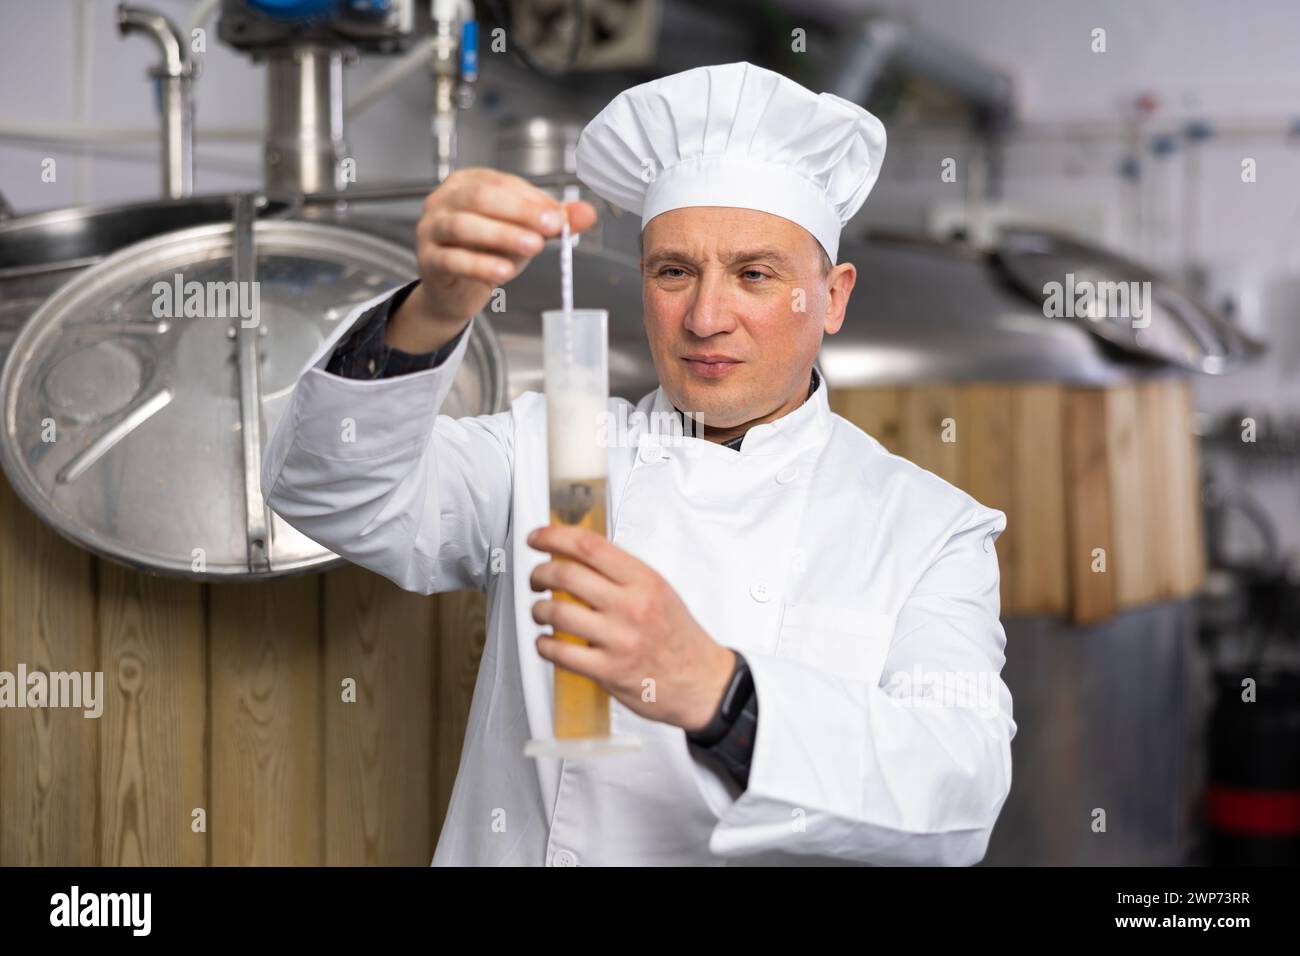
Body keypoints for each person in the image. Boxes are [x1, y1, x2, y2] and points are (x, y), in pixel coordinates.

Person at [262, 61, 1015, 866]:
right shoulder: (552, 455)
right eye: (674, 272)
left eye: (754, 275)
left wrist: (717, 692)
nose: (706, 317)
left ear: (831, 297)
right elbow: (331, 489)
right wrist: (435, 309)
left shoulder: (927, 529)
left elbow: (959, 792)